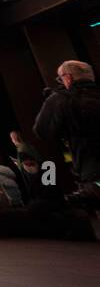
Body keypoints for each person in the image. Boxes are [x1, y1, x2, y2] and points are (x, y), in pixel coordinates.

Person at [34, 60, 100, 203]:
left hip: (93, 174)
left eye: (61, 79)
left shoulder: (61, 99)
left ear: (68, 78)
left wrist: (53, 101)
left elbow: (42, 131)